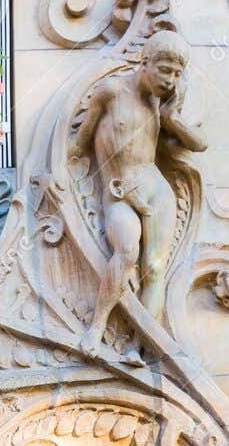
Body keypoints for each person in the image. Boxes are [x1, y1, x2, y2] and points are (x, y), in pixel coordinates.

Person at [73, 30, 206, 357]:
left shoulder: (161, 105)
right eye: (164, 70)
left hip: (155, 189)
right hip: (119, 191)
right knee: (127, 251)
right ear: (144, 62)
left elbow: (199, 144)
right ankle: (97, 326)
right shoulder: (110, 93)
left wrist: (170, 118)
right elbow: (78, 144)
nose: (170, 80)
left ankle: (139, 347)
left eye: (177, 73)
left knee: (155, 268)